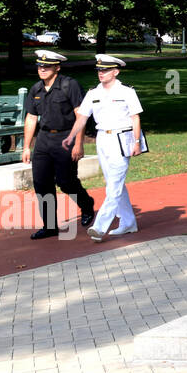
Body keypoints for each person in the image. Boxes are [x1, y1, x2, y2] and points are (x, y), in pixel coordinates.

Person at [66, 55, 143, 242]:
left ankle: (99, 227)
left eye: (105, 70)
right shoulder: (93, 93)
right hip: (102, 139)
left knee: (114, 184)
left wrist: (137, 142)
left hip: (121, 138)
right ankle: (128, 222)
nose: (101, 73)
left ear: (115, 72)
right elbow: (82, 117)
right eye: (99, 70)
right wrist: (71, 136)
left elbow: (135, 118)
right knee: (114, 183)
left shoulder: (127, 92)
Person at [21, 51, 96, 240]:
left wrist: (79, 144)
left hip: (66, 138)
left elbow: (81, 115)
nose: (42, 69)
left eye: (47, 66)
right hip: (44, 140)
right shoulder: (36, 89)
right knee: (41, 184)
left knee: (65, 181)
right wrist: (25, 147)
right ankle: (50, 226)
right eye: (39, 66)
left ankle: (86, 204)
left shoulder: (69, 85)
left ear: (57, 67)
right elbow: (31, 118)